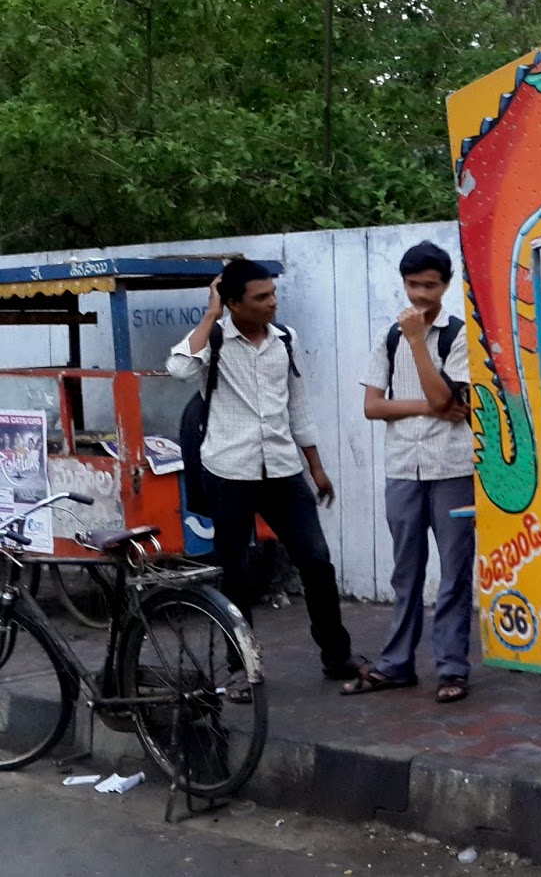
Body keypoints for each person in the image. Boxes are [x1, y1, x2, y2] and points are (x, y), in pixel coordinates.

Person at [166, 258, 360, 699]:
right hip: (228, 472)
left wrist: (316, 467)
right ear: (234, 303)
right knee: (237, 573)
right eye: (261, 297)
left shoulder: (284, 342)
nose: (272, 303)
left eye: (273, 294)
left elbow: (298, 409)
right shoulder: (213, 341)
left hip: (283, 470)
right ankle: (240, 669)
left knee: (316, 560)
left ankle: (337, 655)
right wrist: (210, 313)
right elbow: (178, 368)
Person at [342, 242, 476, 704]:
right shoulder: (389, 337)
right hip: (403, 466)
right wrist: (426, 406)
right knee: (406, 571)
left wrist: (420, 342)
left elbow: (449, 401)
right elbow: (372, 406)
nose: (421, 294)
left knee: (456, 573)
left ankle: (452, 667)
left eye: (430, 285)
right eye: (414, 284)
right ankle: (397, 663)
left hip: (454, 466)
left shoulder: (458, 335)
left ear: (446, 285)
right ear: (403, 283)